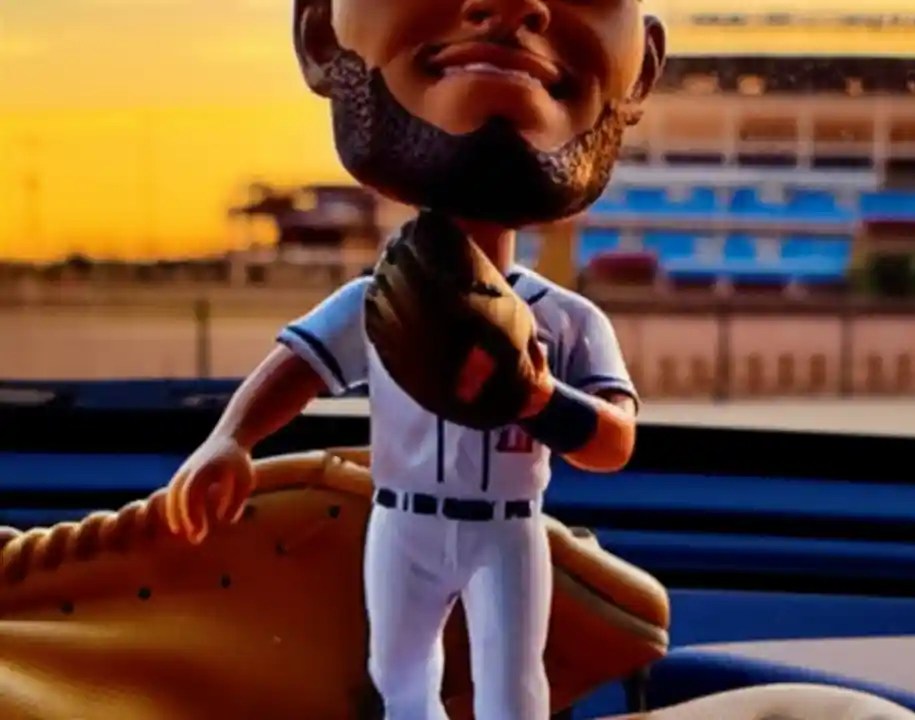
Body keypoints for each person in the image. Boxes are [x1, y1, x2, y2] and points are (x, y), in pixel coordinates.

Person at [162, 1, 667, 718]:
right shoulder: (382, 300)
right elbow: (298, 363)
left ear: (641, 71)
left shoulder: (562, 317)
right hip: (402, 518)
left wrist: (539, 399)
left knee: (513, 689)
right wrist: (228, 437)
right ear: (319, 32)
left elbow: (614, 442)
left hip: (507, 525)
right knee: (397, 677)